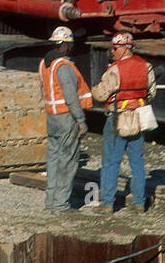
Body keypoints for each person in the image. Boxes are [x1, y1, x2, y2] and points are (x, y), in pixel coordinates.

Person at [91, 32, 156, 212]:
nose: (112, 51)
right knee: (137, 162)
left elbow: (101, 94)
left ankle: (107, 204)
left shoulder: (115, 69)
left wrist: (93, 90)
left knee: (111, 162)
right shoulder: (147, 66)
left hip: (117, 119)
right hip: (138, 119)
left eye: (114, 48)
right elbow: (152, 93)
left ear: (123, 48)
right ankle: (139, 203)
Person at [38, 26, 92, 213]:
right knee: (67, 161)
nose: (71, 48)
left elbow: (42, 90)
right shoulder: (64, 66)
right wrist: (81, 119)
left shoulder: (45, 64)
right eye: (69, 44)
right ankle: (61, 205)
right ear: (64, 45)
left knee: (53, 159)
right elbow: (70, 96)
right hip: (66, 118)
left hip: (52, 117)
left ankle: (51, 202)